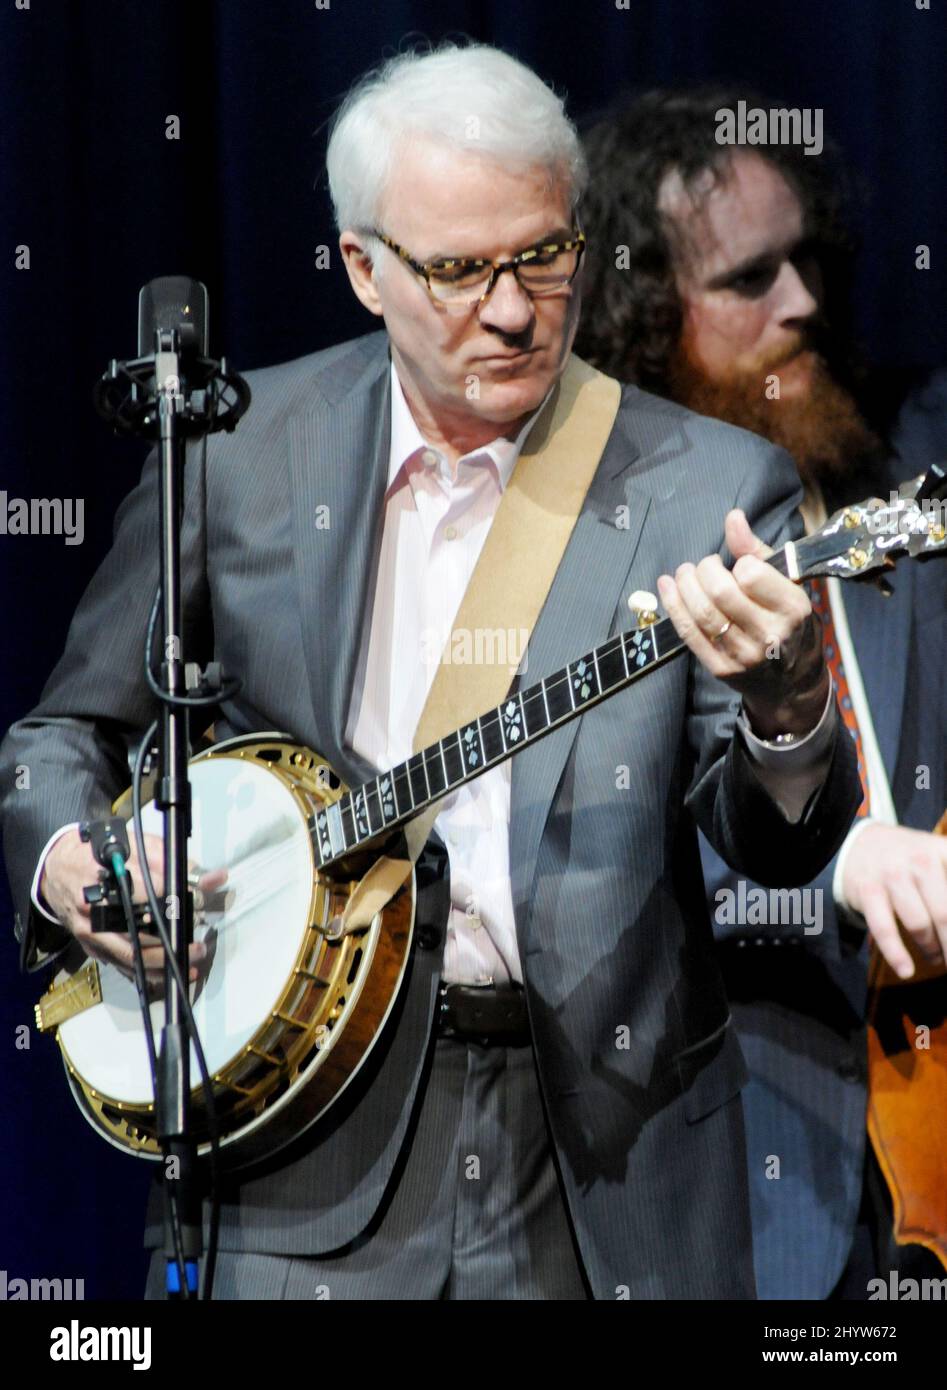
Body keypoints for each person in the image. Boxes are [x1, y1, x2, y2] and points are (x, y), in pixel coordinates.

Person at [0, 48, 861, 1302]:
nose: (511, 311)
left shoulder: (709, 486)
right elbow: (60, 732)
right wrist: (77, 863)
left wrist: (788, 709)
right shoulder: (238, 456)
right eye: (458, 271)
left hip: (598, 1162)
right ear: (363, 268)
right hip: (292, 1138)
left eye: (542, 256)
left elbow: (772, 846)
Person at [575, 86, 947, 1300]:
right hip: (749, 1144)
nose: (802, 304)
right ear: (639, 312)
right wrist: (838, 861)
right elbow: (587, 843)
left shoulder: (914, 451)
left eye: (809, 261)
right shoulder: (585, 537)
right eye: (747, 279)